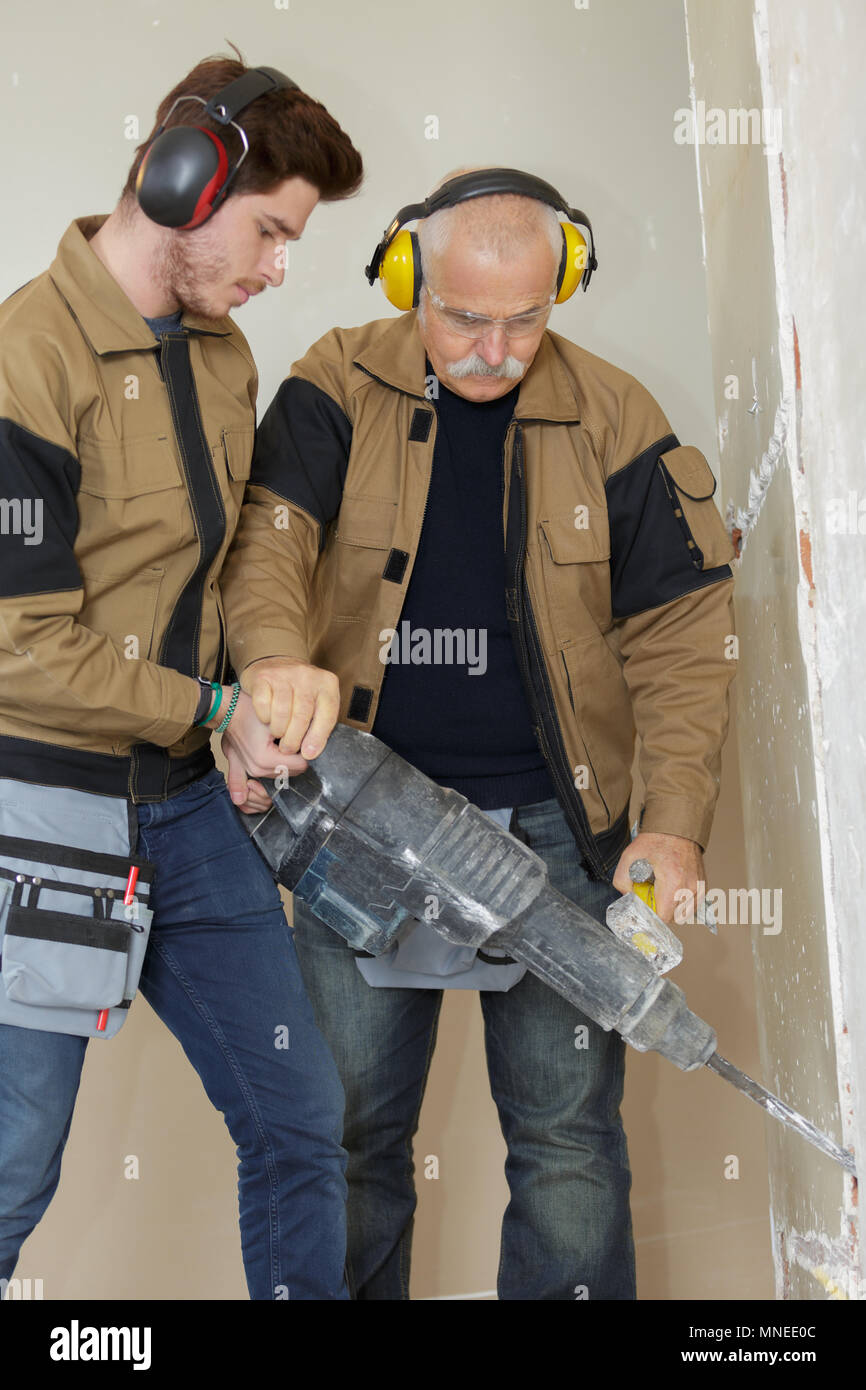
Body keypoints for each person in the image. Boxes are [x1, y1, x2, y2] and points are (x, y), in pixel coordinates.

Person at [219, 168, 738, 1300]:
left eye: (524, 318)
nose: (493, 350)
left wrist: (674, 823)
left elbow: (683, 639)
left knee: (567, 1149)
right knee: (346, 1138)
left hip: (559, 833)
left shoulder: (615, 415)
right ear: (409, 280)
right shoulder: (333, 384)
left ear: (561, 292)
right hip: (357, 816)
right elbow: (264, 542)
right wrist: (267, 659)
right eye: (462, 316)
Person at [0, 53, 363, 1300]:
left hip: (187, 810)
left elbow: (220, 568)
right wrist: (214, 708)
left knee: (299, 1123)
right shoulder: (24, 359)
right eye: (269, 231)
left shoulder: (222, 359)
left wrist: (248, 698)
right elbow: (19, 643)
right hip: (38, 810)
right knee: (11, 1166)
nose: (276, 268)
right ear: (182, 180)